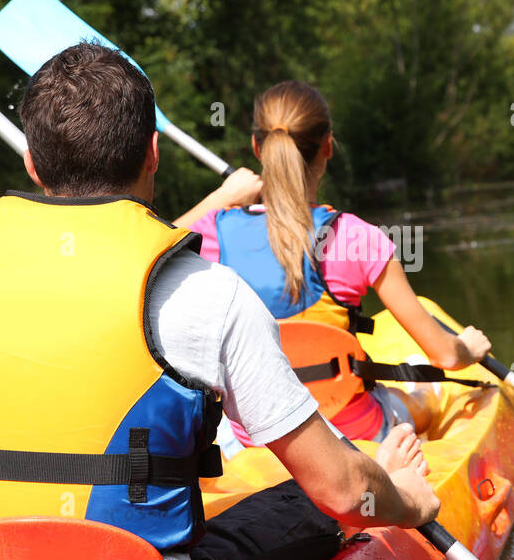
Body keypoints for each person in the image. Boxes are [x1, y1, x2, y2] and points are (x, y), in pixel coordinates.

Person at [0, 43, 439, 560]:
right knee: (316, 503)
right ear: (154, 153)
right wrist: (409, 502)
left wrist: (41, 209)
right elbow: (340, 491)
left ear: (31, 166)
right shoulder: (212, 295)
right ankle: (390, 475)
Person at [188, 80, 492, 443]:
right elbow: (445, 356)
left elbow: (149, 255)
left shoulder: (212, 233)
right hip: (351, 432)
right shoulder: (356, 236)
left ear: (257, 146)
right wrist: (467, 349)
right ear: (328, 147)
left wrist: (221, 196)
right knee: (425, 394)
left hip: (256, 439)